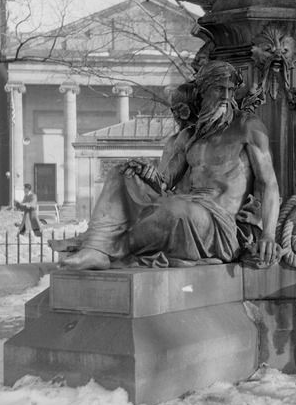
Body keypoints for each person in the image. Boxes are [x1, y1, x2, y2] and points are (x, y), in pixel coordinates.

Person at [60, 60, 282, 270]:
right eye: (219, 89)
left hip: (220, 223)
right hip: (187, 205)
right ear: (202, 91)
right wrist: (145, 173)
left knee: (176, 211)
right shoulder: (189, 136)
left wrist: (269, 235)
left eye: (230, 90)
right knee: (122, 172)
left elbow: (269, 183)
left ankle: (109, 247)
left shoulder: (247, 126)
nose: (226, 96)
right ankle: (95, 247)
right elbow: (164, 183)